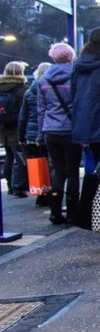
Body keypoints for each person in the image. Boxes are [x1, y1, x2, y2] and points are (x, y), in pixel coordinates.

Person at [71, 27, 100, 212]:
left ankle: (87, 210)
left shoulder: (79, 64)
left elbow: (73, 94)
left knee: (92, 166)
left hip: (83, 123)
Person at [37, 43, 81, 224]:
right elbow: (80, 105)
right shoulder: (76, 77)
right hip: (71, 130)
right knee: (73, 171)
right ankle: (72, 213)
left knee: (58, 171)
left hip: (50, 130)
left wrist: (40, 134)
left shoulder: (43, 80)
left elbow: (41, 110)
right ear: (70, 57)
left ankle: (55, 212)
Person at [18, 62, 51, 206]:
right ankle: (52, 194)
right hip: (49, 130)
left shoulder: (29, 92)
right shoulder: (52, 89)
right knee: (51, 165)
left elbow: (23, 116)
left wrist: (21, 136)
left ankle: (41, 194)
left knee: (38, 165)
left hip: (31, 134)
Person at [0, 61, 29, 197]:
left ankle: (10, 185)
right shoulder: (22, 89)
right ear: (20, 72)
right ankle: (18, 187)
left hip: (3, 128)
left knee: (9, 156)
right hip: (17, 127)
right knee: (19, 157)